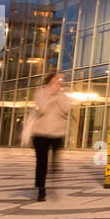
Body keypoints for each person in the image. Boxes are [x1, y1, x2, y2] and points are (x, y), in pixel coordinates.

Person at [24, 72, 71, 202]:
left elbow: (66, 109)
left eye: (61, 79)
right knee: (41, 162)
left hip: (57, 132)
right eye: (57, 78)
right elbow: (42, 108)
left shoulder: (63, 95)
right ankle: (41, 189)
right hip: (40, 132)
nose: (60, 80)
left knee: (55, 160)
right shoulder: (41, 92)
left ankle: (54, 167)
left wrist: (58, 95)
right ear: (51, 80)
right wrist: (51, 94)